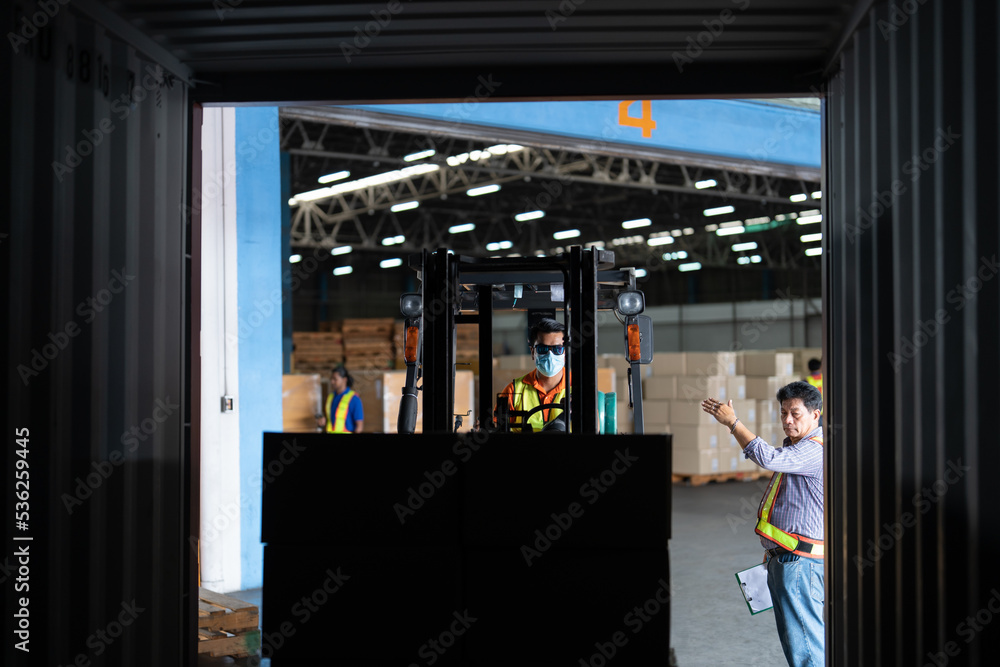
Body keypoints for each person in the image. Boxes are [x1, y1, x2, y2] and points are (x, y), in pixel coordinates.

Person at [701, 381, 824, 667]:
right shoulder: (799, 449)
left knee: (806, 647)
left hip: (800, 565)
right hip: (787, 559)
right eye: (783, 413)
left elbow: (767, 457)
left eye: (795, 413)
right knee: (798, 644)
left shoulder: (813, 451)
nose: (787, 420)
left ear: (815, 415)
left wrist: (734, 424)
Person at [497, 318, 567, 431]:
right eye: (542, 348)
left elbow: (595, 429)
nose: (550, 355)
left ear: (565, 352)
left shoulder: (578, 387)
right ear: (533, 352)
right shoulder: (513, 390)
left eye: (557, 349)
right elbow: (497, 430)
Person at [317, 365, 364, 433]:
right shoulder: (330, 397)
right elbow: (330, 420)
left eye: (335, 379)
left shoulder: (354, 399)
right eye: (331, 379)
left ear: (344, 380)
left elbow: (359, 427)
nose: (332, 382)